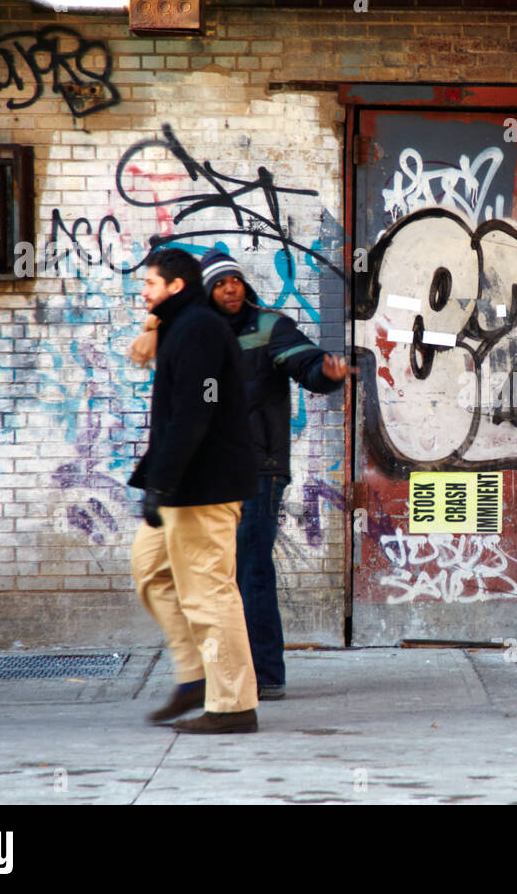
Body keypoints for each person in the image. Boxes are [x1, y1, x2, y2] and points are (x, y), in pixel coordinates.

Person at [129, 247, 353, 700]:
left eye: (235, 281)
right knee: (204, 576)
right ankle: (212, 673)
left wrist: (326, 374)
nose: (231, 289)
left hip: (258, 468)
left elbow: (302, 362)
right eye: (220, 283)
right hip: (208, 477)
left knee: (249, 570)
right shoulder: (194, 331)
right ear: (205, 291)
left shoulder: (266, 327)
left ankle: (263, 675)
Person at [128, 247, 261, 734]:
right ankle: (196, 676)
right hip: (179, 485)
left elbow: (198, 409)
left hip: (204, 488)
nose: (143, 291)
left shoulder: (202, 331)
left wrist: (161, 482)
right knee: (151, 572)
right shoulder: (180, 328)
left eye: (150, 283)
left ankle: (232, 705)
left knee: (209, 593)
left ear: (176, 286)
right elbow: (175, 416)